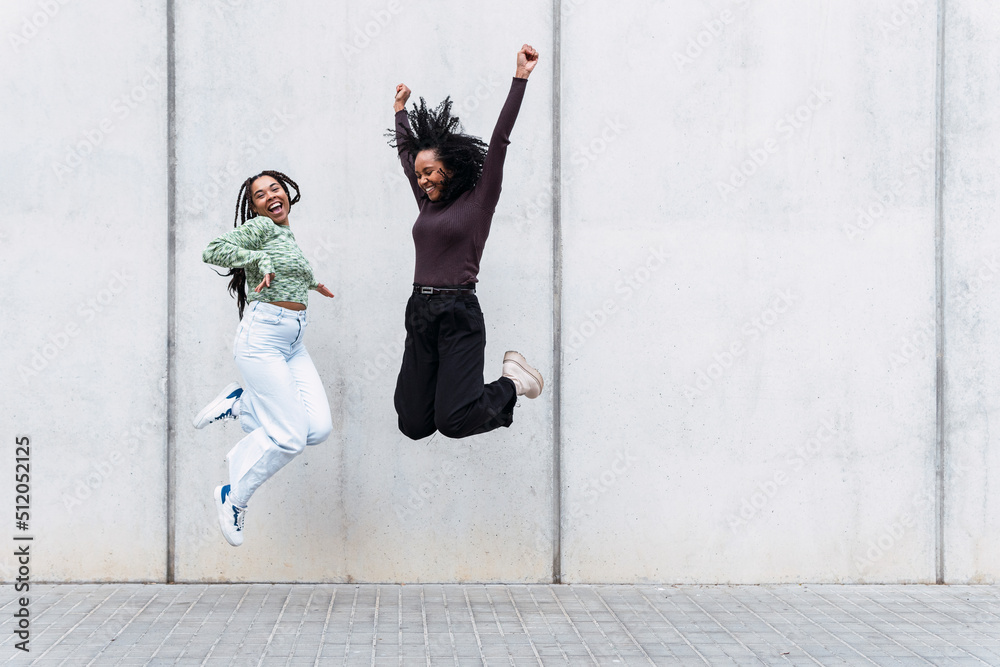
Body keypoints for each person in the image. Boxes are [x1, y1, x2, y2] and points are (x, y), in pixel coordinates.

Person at [390, 44, 544, 441]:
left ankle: (512, 382)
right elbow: (407, 157)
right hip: (420, 310)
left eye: (429, 173)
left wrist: (520, 79)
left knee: (454, 422)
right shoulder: (425, 203)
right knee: (414, 424)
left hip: (459, 311)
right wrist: (400, 113)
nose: (421, 180)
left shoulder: (478, 202)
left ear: (450, 167)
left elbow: (500, 141)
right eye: (419, 175)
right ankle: (465, 395)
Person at [195, 170, 335, 547]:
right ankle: (233, 497)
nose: (271, 196)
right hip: (262, 338)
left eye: (275, 188)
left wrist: (310, 284)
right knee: (290, 438)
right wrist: (255, 257)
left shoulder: (286, 234)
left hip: (293, 341)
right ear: (253, 205)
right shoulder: (261, 228)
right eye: (260, 194)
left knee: (317, 429)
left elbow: (283, 272)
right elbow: (212, 250)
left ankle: (241, 406)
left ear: (287, 193)